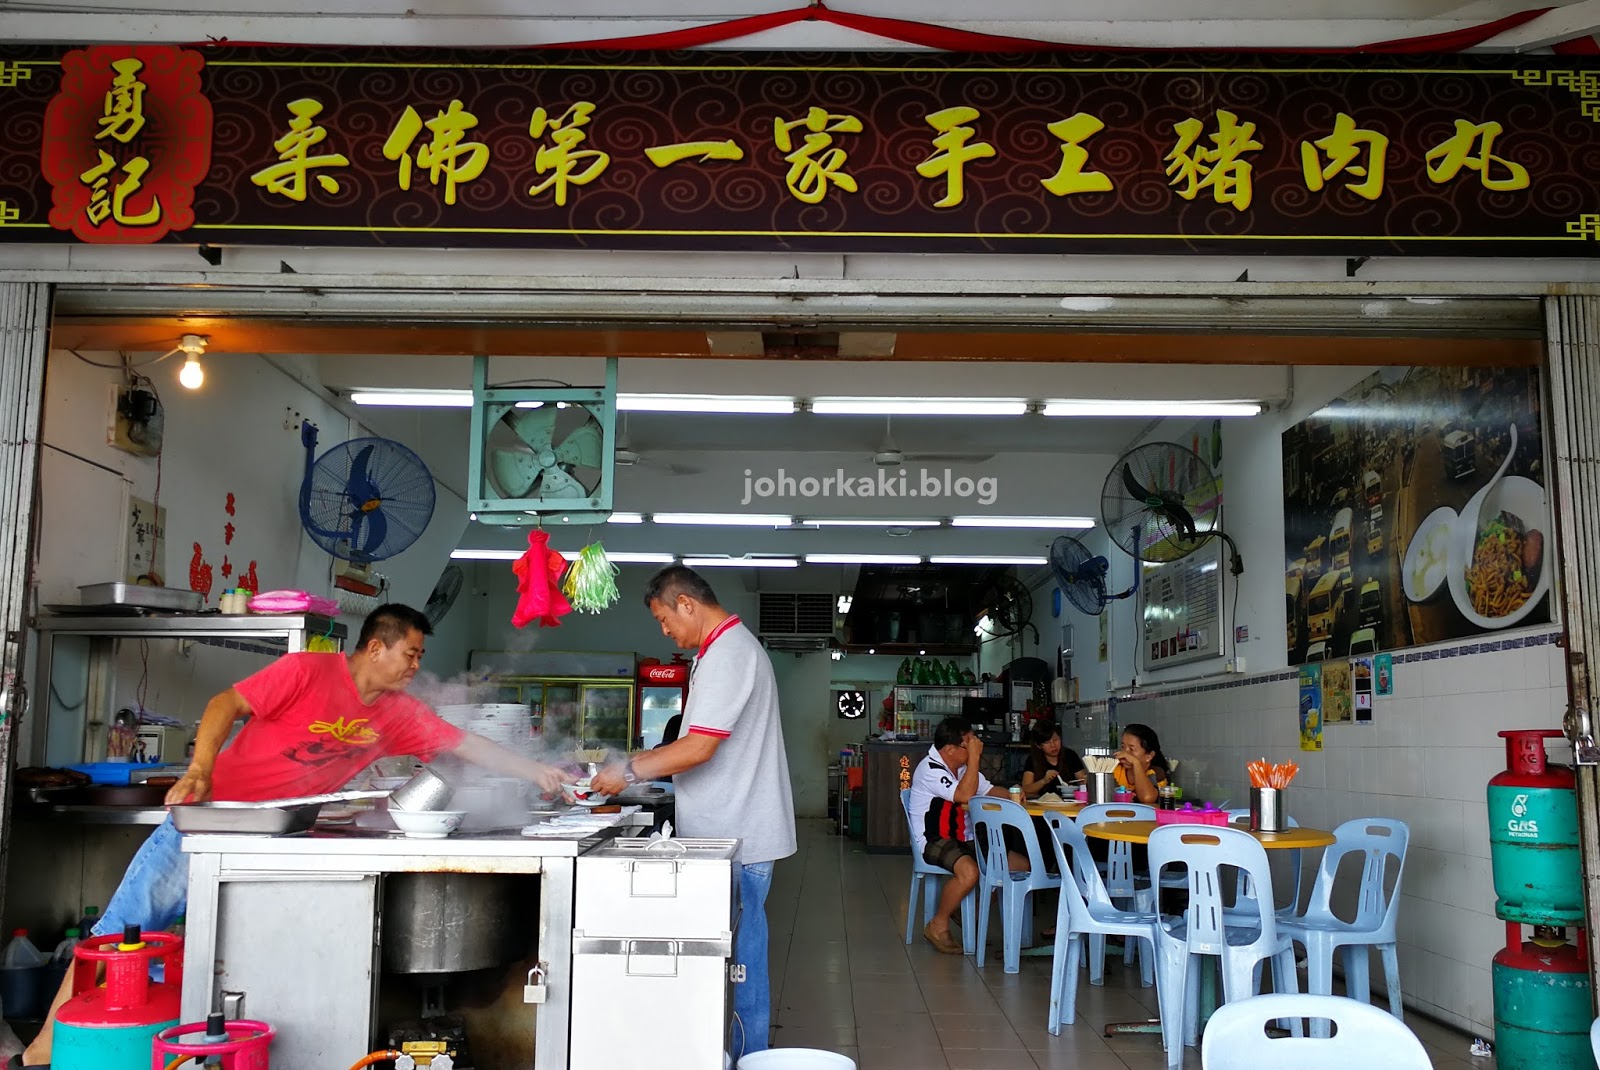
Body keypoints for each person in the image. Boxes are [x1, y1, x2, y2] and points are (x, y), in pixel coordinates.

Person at [18, 604, 570, 1069]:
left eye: (420, 656)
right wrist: (201, 769)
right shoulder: (308, 672)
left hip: (281, 836)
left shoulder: (399, 715)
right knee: (121, 936)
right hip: (209, 818)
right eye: (412, 653)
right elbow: (223, 705)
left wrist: (538, 772)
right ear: (376, 648)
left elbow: (463, 743)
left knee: (241, 952)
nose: (416, 665)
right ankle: (43, 1051)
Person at [591, 566, 795, 1060]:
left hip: (738, 834)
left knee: (741, 962)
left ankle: (748, 1055)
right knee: (733, 956)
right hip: (729, 828)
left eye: (664, 618)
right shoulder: (720, 650)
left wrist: (630, 770)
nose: (664, 631)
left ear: (686, 604)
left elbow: (700, 747)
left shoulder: (729, 653)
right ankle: (736, 1050)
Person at [907, 716, 1026, 954]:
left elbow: (990, 790)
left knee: (1019, 866)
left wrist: (1014, 794)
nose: (975, 747)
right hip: (934, 838)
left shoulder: (961, 768)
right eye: (969, 744)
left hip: (964, 838)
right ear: (950, 750)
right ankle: (937, 923)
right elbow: (963, 795)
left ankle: (971, 911)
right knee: (969, 872)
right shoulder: (930, 769)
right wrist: (975, 760)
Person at [1019, 719, 1085, 799]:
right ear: (1038, 745)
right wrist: (1044, 781)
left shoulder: (1070, 755)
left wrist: (1085, 781)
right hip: (1041, 804)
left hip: (1070, 803)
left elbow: (1082, 780)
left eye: (1055, 740)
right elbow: (1026, 789)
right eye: (1047, 742)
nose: (1053, 745)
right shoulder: (1032, 760)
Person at [1114, 722, 1170, 805]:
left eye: (1132, 749)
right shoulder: (1116, 769)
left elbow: (1147, 798)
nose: (1125, 753)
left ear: (1149, 756)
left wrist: (1136, 763)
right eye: (1123, 747)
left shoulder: (1156, 773)